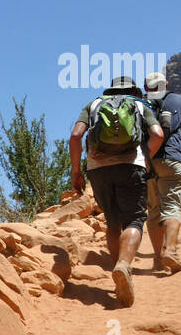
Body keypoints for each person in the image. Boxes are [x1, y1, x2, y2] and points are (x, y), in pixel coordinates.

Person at [69, 75, 165, 307]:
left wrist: (76, 171)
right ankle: (124, 265)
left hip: (97, 169)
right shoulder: (140, 104)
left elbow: (75, 136)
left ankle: (117, 272)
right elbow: (158, 135)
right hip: (131, 167)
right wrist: (145, 158)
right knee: (134, 220)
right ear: (133, 90)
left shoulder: (93, 104)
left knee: (112, 221)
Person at [143, 72, 181, 273]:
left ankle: (158, 259)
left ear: (146, 87)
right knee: (171, 208)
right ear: (166, 84)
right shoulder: (178, 100)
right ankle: (170, 250)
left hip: (147, 162)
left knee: (153, 211)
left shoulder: (141, 102)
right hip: (173, 159)